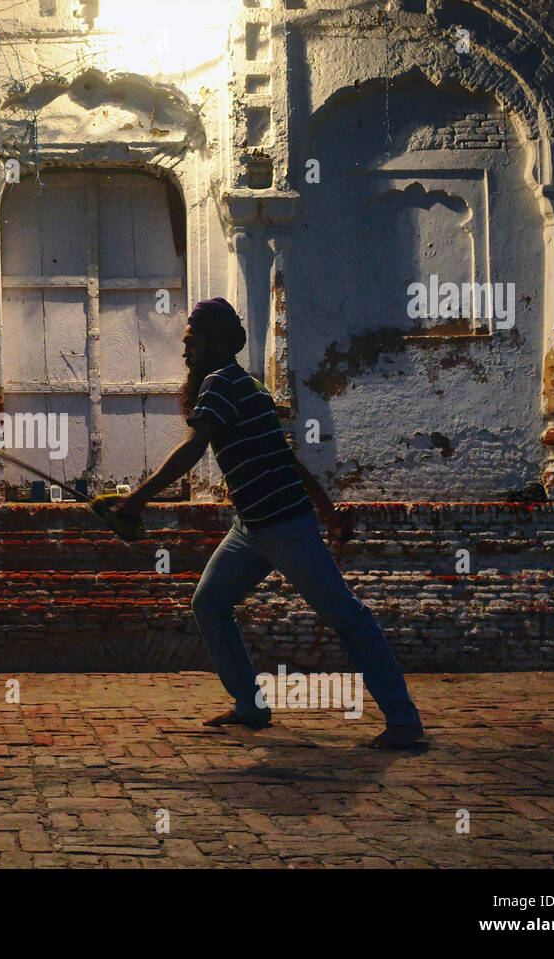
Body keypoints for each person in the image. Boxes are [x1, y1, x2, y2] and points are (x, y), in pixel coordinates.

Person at [114, 298, 425, 749]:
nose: (185, 352)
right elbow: (286, 458)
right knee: (209, 604)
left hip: (284, 525)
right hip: (251, 527)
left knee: (347, 616)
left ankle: (403, 719)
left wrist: (136, 500)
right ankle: (250, 705)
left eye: (191, 342)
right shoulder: (251, 388)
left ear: (214, 342)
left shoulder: (219, 384)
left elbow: (192, 449)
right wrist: (329, 511)